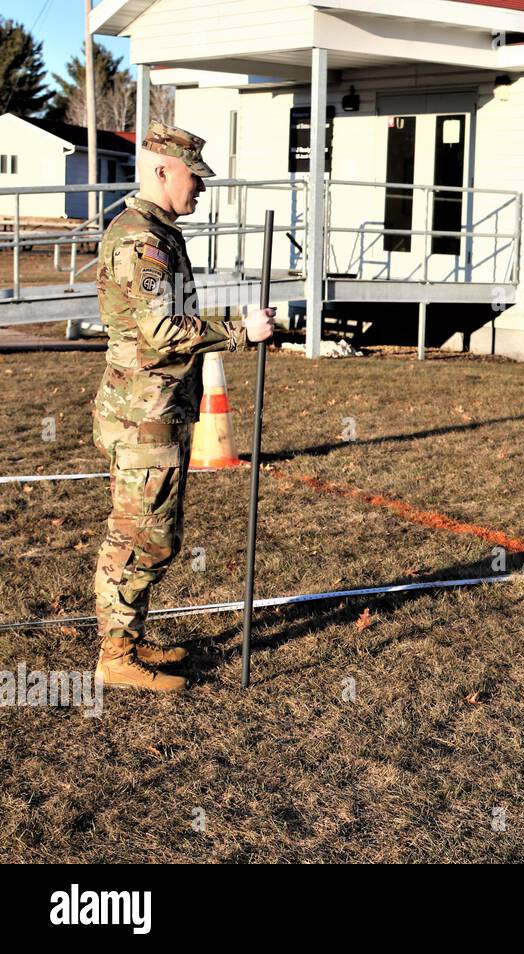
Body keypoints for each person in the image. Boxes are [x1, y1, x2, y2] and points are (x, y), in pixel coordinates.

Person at [92, 121, 275, 692]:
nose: (200, 188)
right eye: (194, 177)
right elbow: (161, 328)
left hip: (155, 406)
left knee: (154, 531)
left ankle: (130, 634)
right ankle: (116, 655)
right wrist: (240, 330)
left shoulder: (159, 232)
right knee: (140, 533)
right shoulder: (142, 239)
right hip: (143, 411)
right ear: (163, 171)